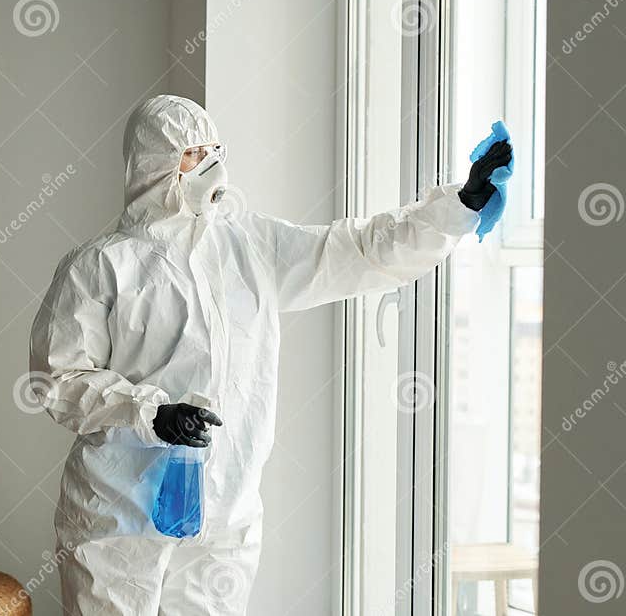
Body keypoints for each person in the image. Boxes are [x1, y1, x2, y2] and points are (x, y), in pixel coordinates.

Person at [28, 94, 511, 615]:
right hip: (118, 514)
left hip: (224, 511)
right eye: (194, 152)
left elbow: (354, 250)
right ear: (155, 164)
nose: (212, 163)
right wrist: (150, 413)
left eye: (215, 147)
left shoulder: (246, 244)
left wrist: (458, 207)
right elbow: (58, 380)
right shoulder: (101, 267)